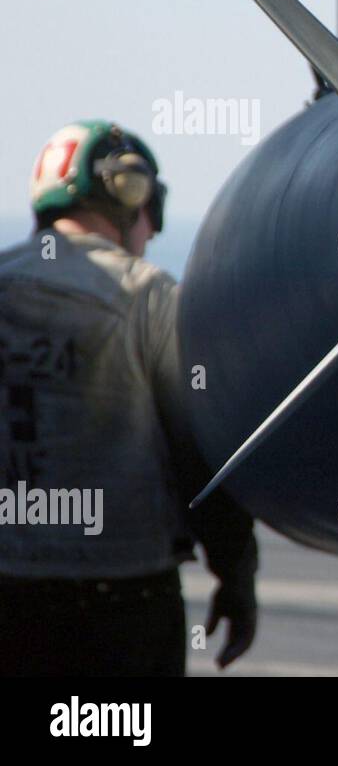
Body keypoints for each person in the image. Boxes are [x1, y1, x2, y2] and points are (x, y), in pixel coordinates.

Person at [0, 119, 258, 676]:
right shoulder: (147, 294)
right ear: (131, 193)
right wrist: (236, 575)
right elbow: (204, 453)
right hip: (120, 602)